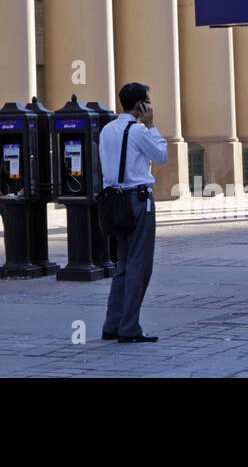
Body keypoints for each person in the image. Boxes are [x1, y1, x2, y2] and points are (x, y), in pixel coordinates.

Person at [99, 81, 168, 344]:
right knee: (140, 265)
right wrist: (151, 125)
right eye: (148, 102)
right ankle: (129, 327)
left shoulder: (107, 130)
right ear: (140, 105)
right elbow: (161, 155)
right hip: (138, 200)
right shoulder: (139, 131)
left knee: (123, 265)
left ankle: (112, 323)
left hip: (113, 202)